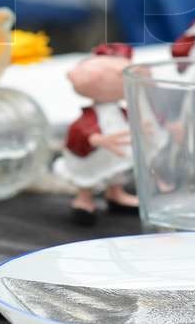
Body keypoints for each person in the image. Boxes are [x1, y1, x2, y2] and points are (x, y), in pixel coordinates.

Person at [54, 43, 138, 225]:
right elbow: (79, 130)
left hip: (117, 152)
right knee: (89, 176)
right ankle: (84, 199)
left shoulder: (121, 112)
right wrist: (97, 139)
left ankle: (116, 193)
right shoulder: (90, 116)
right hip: (93, 153)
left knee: (117, 172)